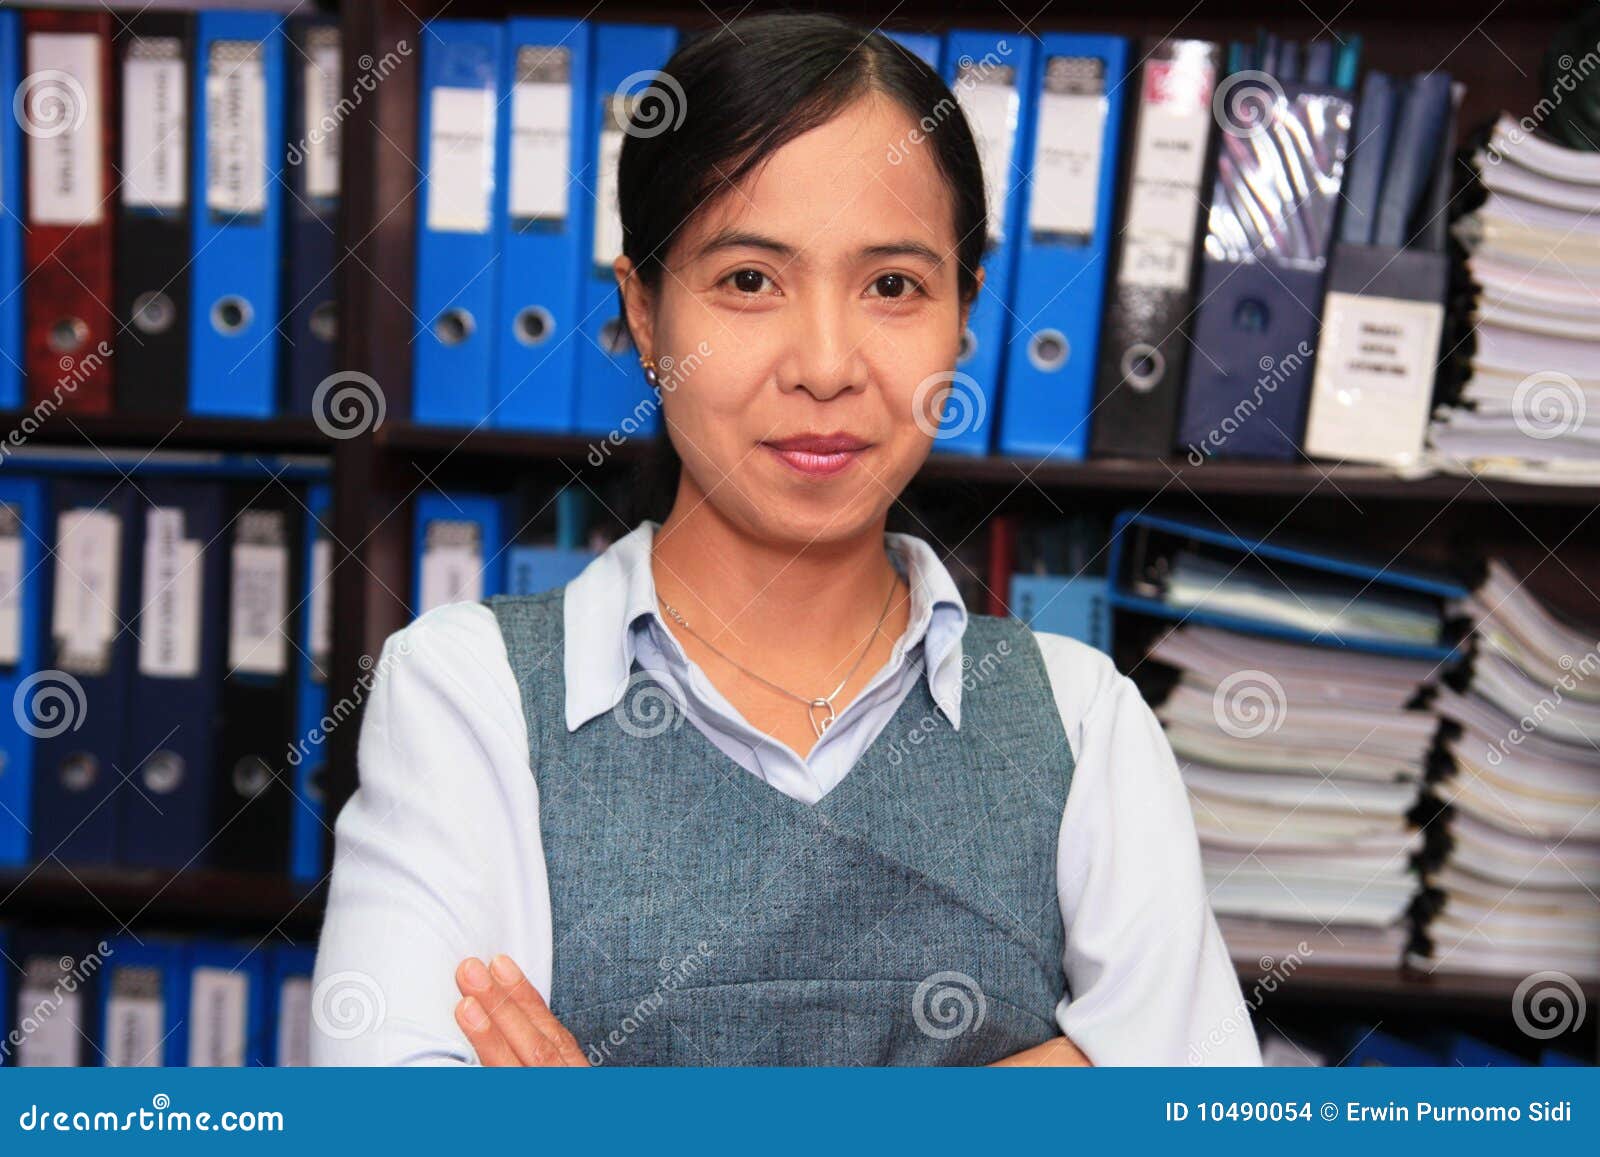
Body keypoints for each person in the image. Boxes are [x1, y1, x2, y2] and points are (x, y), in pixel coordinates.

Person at [310, 12, 1259, 1067]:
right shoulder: (469, 692)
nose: (824, 365)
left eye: (892, 286)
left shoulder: (1082, 720)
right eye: (750, 281)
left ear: (963, 316)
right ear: (643, 311)